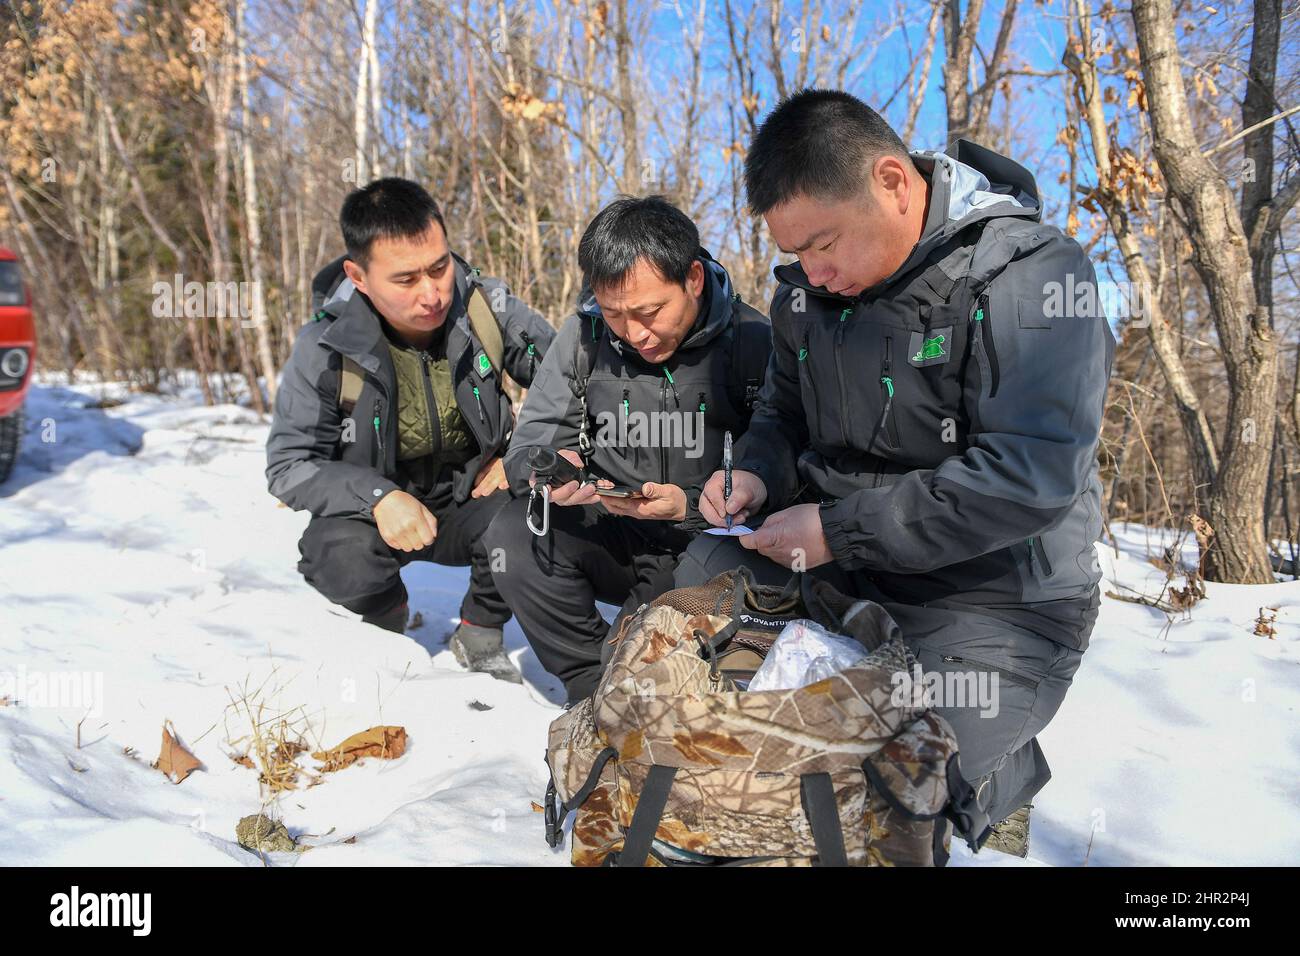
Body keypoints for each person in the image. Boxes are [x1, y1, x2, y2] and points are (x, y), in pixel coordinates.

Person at [679, 89, 1116, 856]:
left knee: (875, 794)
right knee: (694, 647)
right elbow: (783, 413)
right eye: (795, 253)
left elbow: (1030, 474)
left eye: (825, 244)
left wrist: (839, 531)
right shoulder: (807, 297)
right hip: (848, 565)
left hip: (996, 596)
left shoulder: (1033, 274)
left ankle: (989, 767)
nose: (812, 273)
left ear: (890, 180)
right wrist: (753, 472)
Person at [482, 196, 771, 704]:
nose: (636, 333)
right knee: (511, 535)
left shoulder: (754, 341)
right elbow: (531, 443)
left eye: (651, 311)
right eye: (615, 313)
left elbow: (781, 465)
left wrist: (688, 504)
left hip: (706, 539)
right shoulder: (583, 337)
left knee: (653, 643)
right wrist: (552, 472)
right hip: (611, 523)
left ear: (694, 279)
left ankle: (634, 671)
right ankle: (589, 687)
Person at [266, 177, 555, 682]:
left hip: (473, 495)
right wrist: (377, 496)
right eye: (405, 280)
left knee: (536, 515)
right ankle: (386, 621)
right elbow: (289, 466)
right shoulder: (325, 344)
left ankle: (481, 629)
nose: (432, 293)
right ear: (358, 275)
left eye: (440, 267)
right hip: (377, 507)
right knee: (338, 558)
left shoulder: (486, 307)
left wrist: (521, 456)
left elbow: (567, 382)